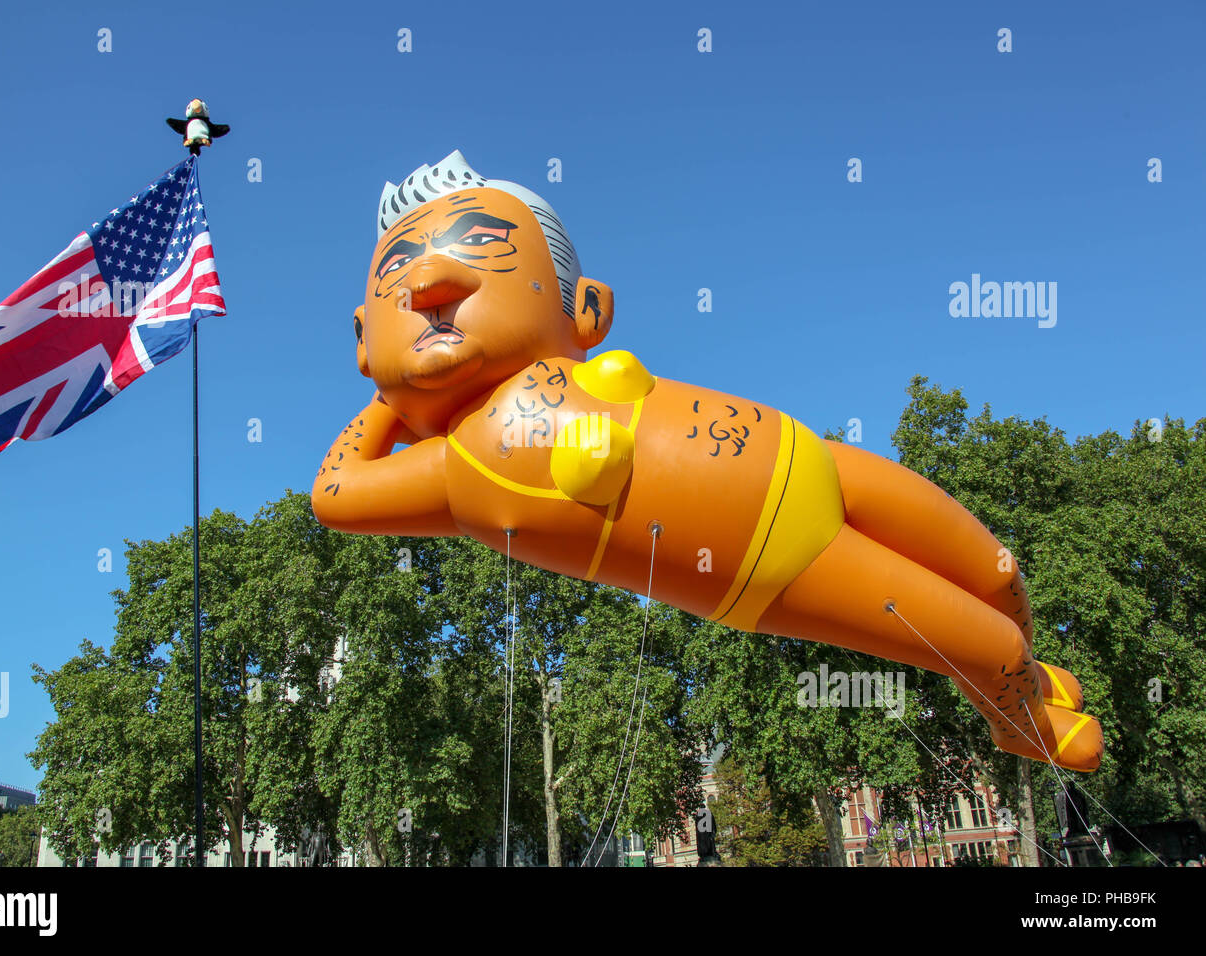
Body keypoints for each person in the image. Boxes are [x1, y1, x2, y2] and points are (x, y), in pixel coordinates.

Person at [312, 150, 1103, 772]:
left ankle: (1031, 677)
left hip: (813, 457)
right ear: (362, 336)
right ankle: (1020, 720)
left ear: (586, 308)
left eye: (482, 246)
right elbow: (337, 493)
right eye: (396, 276)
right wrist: (395, 394)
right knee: (988, 646)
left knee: (997, 572)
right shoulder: (462, 469)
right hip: (780, 555)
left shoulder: (569, 377)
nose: (429, 282)